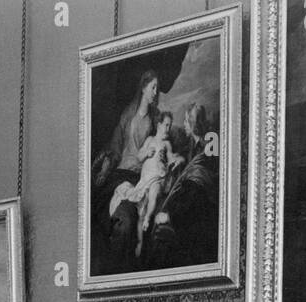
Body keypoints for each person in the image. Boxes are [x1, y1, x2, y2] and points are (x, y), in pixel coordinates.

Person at [92, 69, 162, 273]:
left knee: (126, 219)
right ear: (143, 87)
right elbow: (116, 146)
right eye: (153, 87)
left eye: (157, 88)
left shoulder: (155, 118)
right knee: (100, 212)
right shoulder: (128, 113)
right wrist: (106, 168)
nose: (156, 92)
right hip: (120, 172)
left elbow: (160, 145)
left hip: (138, 175)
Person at [144, 102, 220, 271]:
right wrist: (181, 160)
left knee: (162, 233)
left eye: (187, 121)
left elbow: (196, 188)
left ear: (193, 123)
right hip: (187, 204)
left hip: (197, 213)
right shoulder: (192, 146)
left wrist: (170, 215)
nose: (184, 124)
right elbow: (187, 163)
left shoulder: (209, 146)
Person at [107, 110, 183, 257]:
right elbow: (139, 156)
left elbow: (172, 157)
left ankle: (148, 217)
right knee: (138, 218)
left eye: (170, 126)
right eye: (166, 125)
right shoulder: (149, 140)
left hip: (157, 178)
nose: (168, 129)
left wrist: (177, 160)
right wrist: (147, 152)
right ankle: (139, 248)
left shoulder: (166, 144)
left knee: (154, 194)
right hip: (144, 181)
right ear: (159, 124)